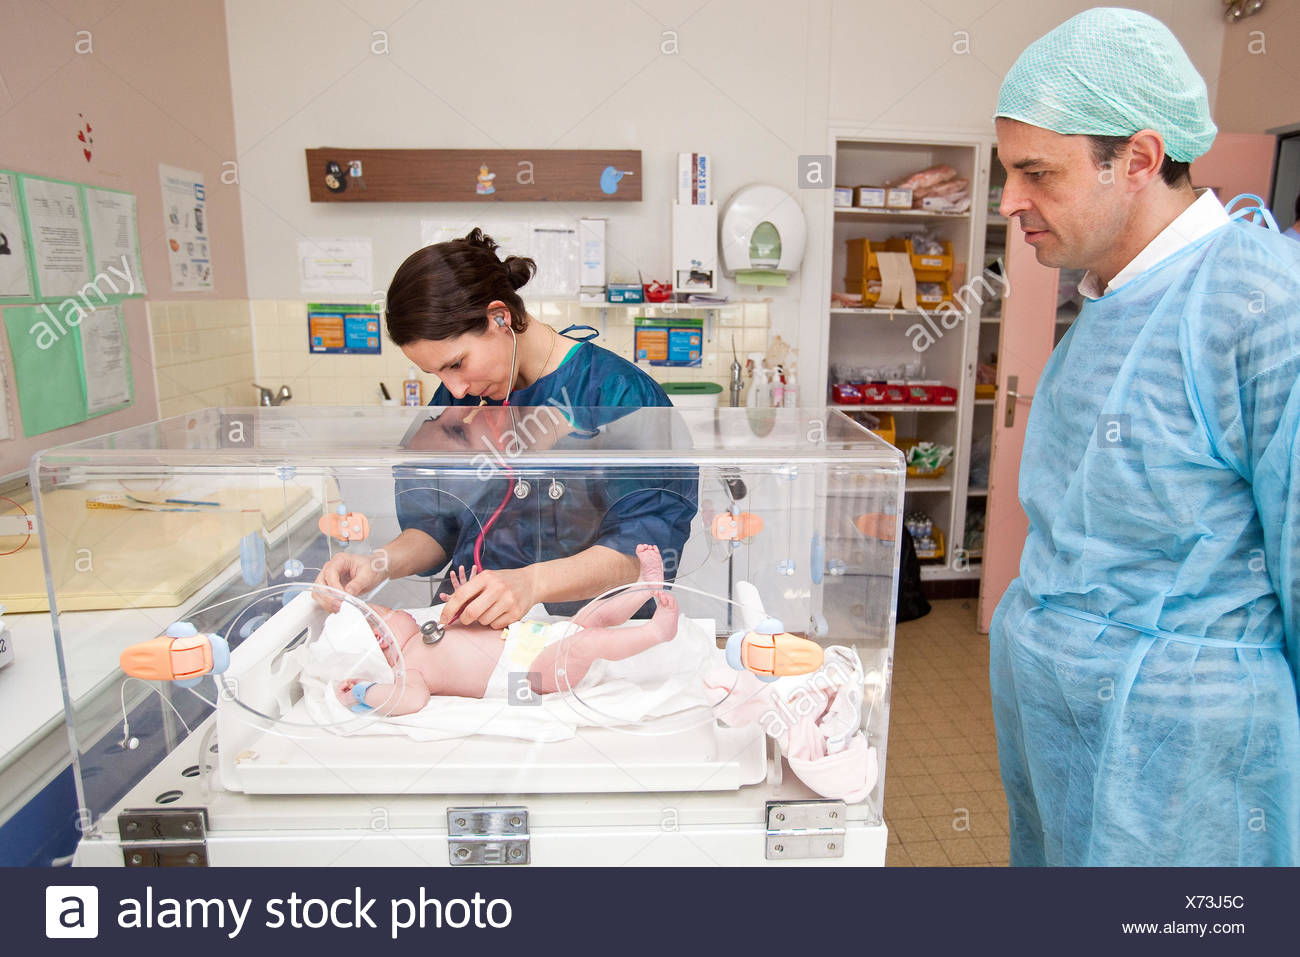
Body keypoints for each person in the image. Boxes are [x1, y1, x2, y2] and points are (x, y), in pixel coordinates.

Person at [990, 7, 1300, 866]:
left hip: (1192, 765)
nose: (1010, 201)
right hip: (1063, 737)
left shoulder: (1267, 309)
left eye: (1036, 173)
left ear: (1138, 159)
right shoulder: (1107, 300)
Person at [315, 228, 697, 628]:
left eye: (456, 363)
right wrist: (377, 563)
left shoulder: (615, 394)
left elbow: (642, 554)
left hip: (588, 635)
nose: (454, 388)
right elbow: (438, 523)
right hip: (476, 629)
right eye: (437, 373)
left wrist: (531, 583)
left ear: (500, 317)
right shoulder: (462, 398)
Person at [335, 544, 678, 713]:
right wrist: (365, 693)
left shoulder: (433, 628)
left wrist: (471, 600)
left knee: (593, 617)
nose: (403, 612)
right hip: (525, 678)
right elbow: (411, 700)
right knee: (588, 641)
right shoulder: (411, 670)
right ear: (379, 638)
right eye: (390, 612)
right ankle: (656, 633)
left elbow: (483, 627)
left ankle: (645, 586)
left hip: (533, 642)